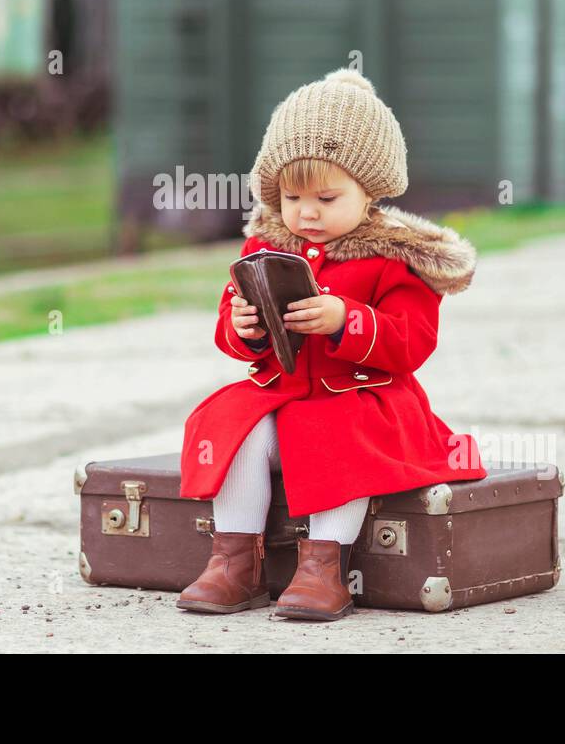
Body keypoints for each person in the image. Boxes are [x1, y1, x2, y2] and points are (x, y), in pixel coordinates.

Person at [176, 67, 487, 621]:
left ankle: (323, 566)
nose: (307, 212)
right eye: (291, 197)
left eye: (326, 196)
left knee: (333, 433)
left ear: (370, 193)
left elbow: (412, 341)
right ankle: (234, 561)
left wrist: (349, 320)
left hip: (367, 402)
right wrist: (243, 325)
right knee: (232, 422)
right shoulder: (266, 245)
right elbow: (231, 324)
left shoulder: (394, 257)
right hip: (285, 394)